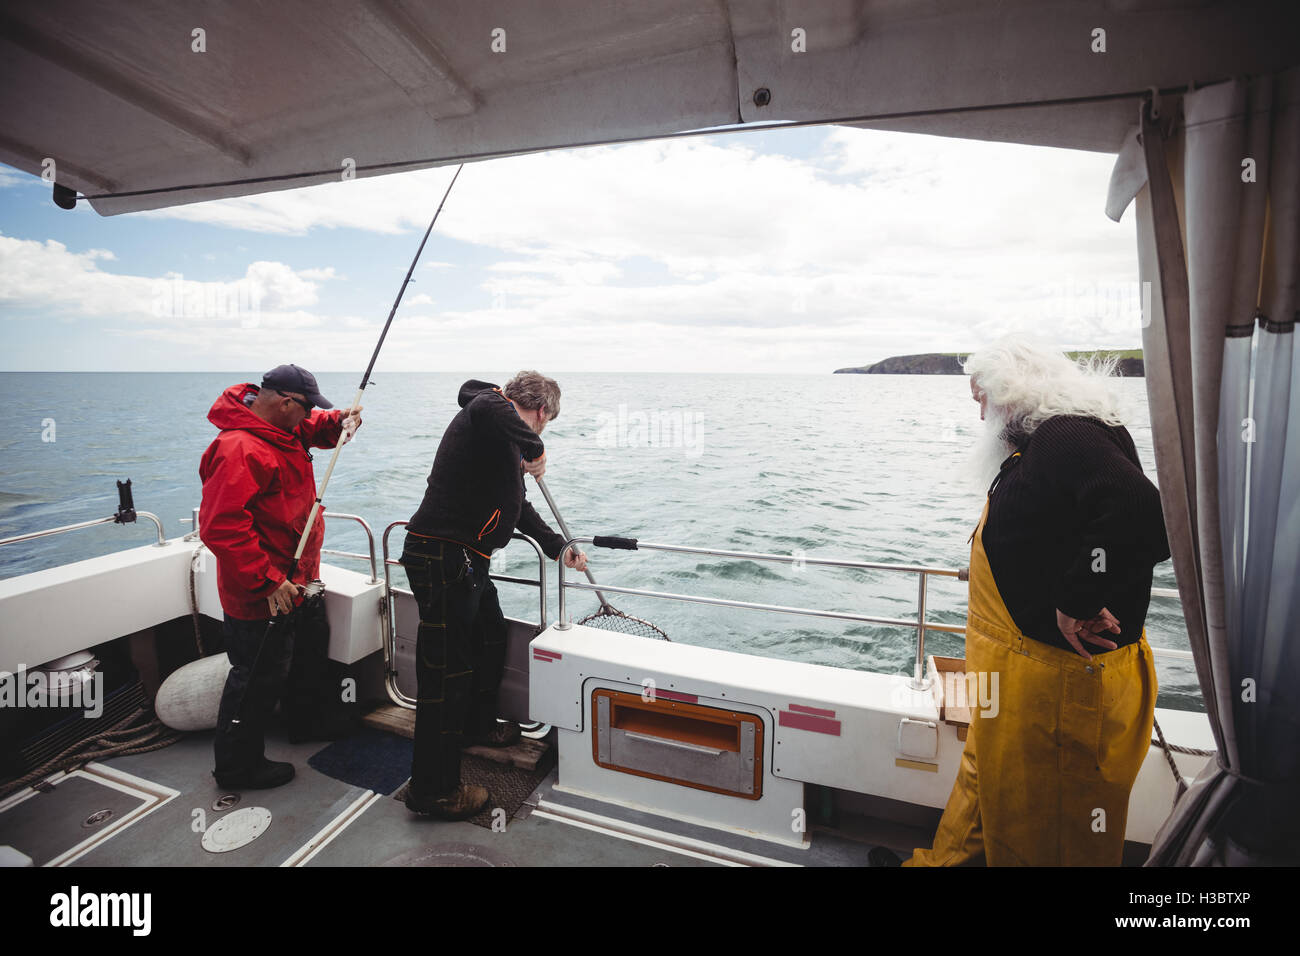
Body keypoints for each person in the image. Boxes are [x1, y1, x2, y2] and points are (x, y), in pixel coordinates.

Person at [903, 341, 1169, 866]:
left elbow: (1140, 512)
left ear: (1013, 393)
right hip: (1013, 678)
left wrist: (1078, 599)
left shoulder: (1067, 434)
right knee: (986, 786)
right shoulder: (1045, 442)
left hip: (1057, 690)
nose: (980, 413)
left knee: (1051, 837)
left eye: (983, 399)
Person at [401, 371, 587, 820]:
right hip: (444, 557)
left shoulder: (500, 440)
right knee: (445, 676)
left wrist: (557, 546)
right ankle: (433, 790)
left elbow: (518, 507)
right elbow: (486, 401)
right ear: (541, 412)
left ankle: (474, 726)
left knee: (489, 633)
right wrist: (535, 447)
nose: (540, 433)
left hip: (467, 562)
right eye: (544, 425)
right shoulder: (486, 413)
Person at [199, 364, 362, 790]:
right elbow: (222, 527)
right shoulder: (239, 447)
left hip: (299, 577)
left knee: (306, 651)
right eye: (307, 408)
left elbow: (319, 431)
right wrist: (269, 581)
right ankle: (237, 767)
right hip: (260, 590)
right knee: (255, 677)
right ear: (286, 402)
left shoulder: (282, 428)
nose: (310, 417)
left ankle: (305, 722)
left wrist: (340, 419)